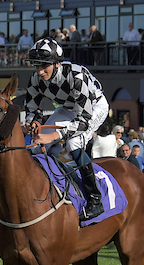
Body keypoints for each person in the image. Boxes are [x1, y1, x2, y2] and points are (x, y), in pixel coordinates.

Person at [23, 37, 109, 220]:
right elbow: (32, 109)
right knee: (36, 145)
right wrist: (32, 122)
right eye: (36, 66)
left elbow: (84, 120)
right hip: (68, 108)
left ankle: (95, 200)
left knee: (73, 142)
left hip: (94, 108)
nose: (39, 71)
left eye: (43, 66)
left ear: (56, 63)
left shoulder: (76, 77)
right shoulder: (35, 79)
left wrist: (54, 135)